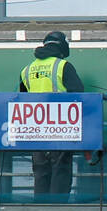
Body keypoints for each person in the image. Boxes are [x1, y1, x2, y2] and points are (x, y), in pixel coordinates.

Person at [19, 31, 85, 202]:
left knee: (41, 170)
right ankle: (57, 209)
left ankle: (40, 209)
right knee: (60, 168)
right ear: (62, 46)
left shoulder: (27, 70)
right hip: (60, 127)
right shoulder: (63, 66)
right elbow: (78, 93)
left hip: (34, 128)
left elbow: (22, 99)